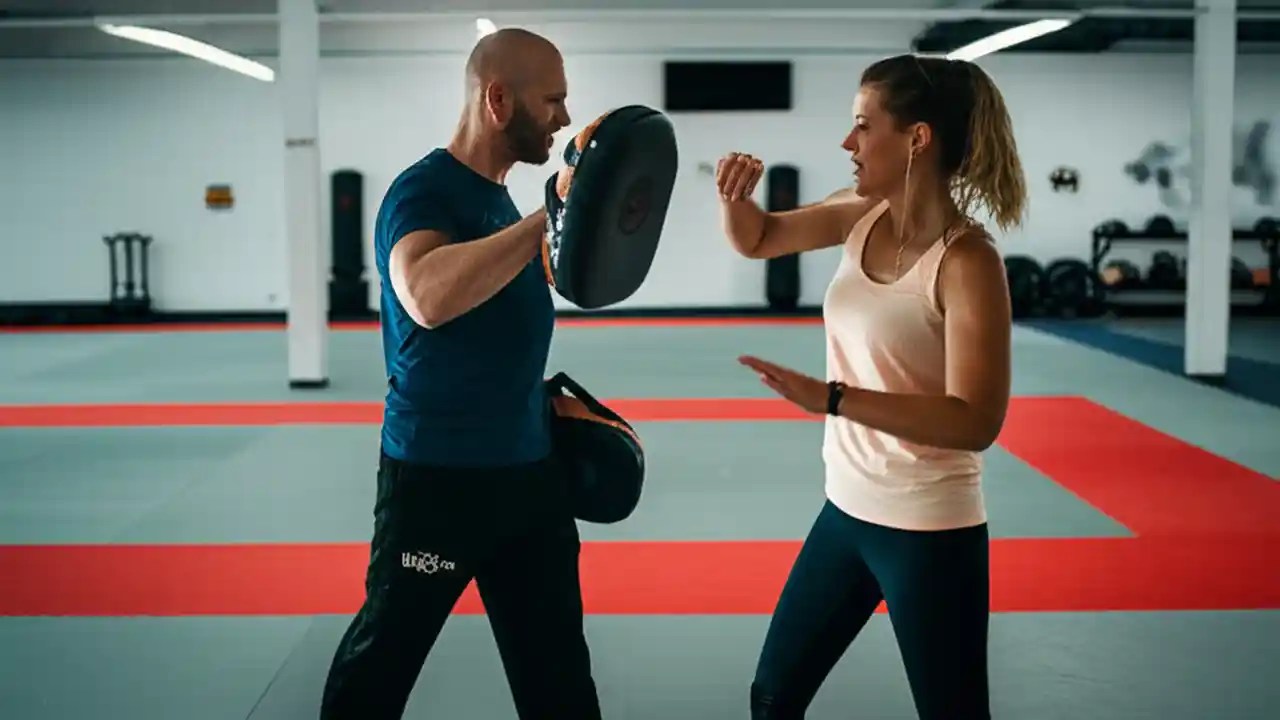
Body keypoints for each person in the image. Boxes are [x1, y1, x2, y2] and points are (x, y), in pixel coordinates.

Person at [717, 54, 1027, 719]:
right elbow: (760, 239)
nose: (847, 142)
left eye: (863, 125)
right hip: (846, 512)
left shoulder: (967, 261)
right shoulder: (857, 213)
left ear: (917, 138)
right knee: (772, 697)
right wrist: (734, 201)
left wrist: (832, 399)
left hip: (928, 527)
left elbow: (976, 421)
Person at [319, 28, 603, 720]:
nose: (564, 116)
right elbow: (426, 295)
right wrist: (549, 215)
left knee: (560, 681)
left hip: (529, 479)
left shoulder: (499, 202)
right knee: (376, 674)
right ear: (498, 100)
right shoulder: (423, 193)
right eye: (553, 100)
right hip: (437, 482)